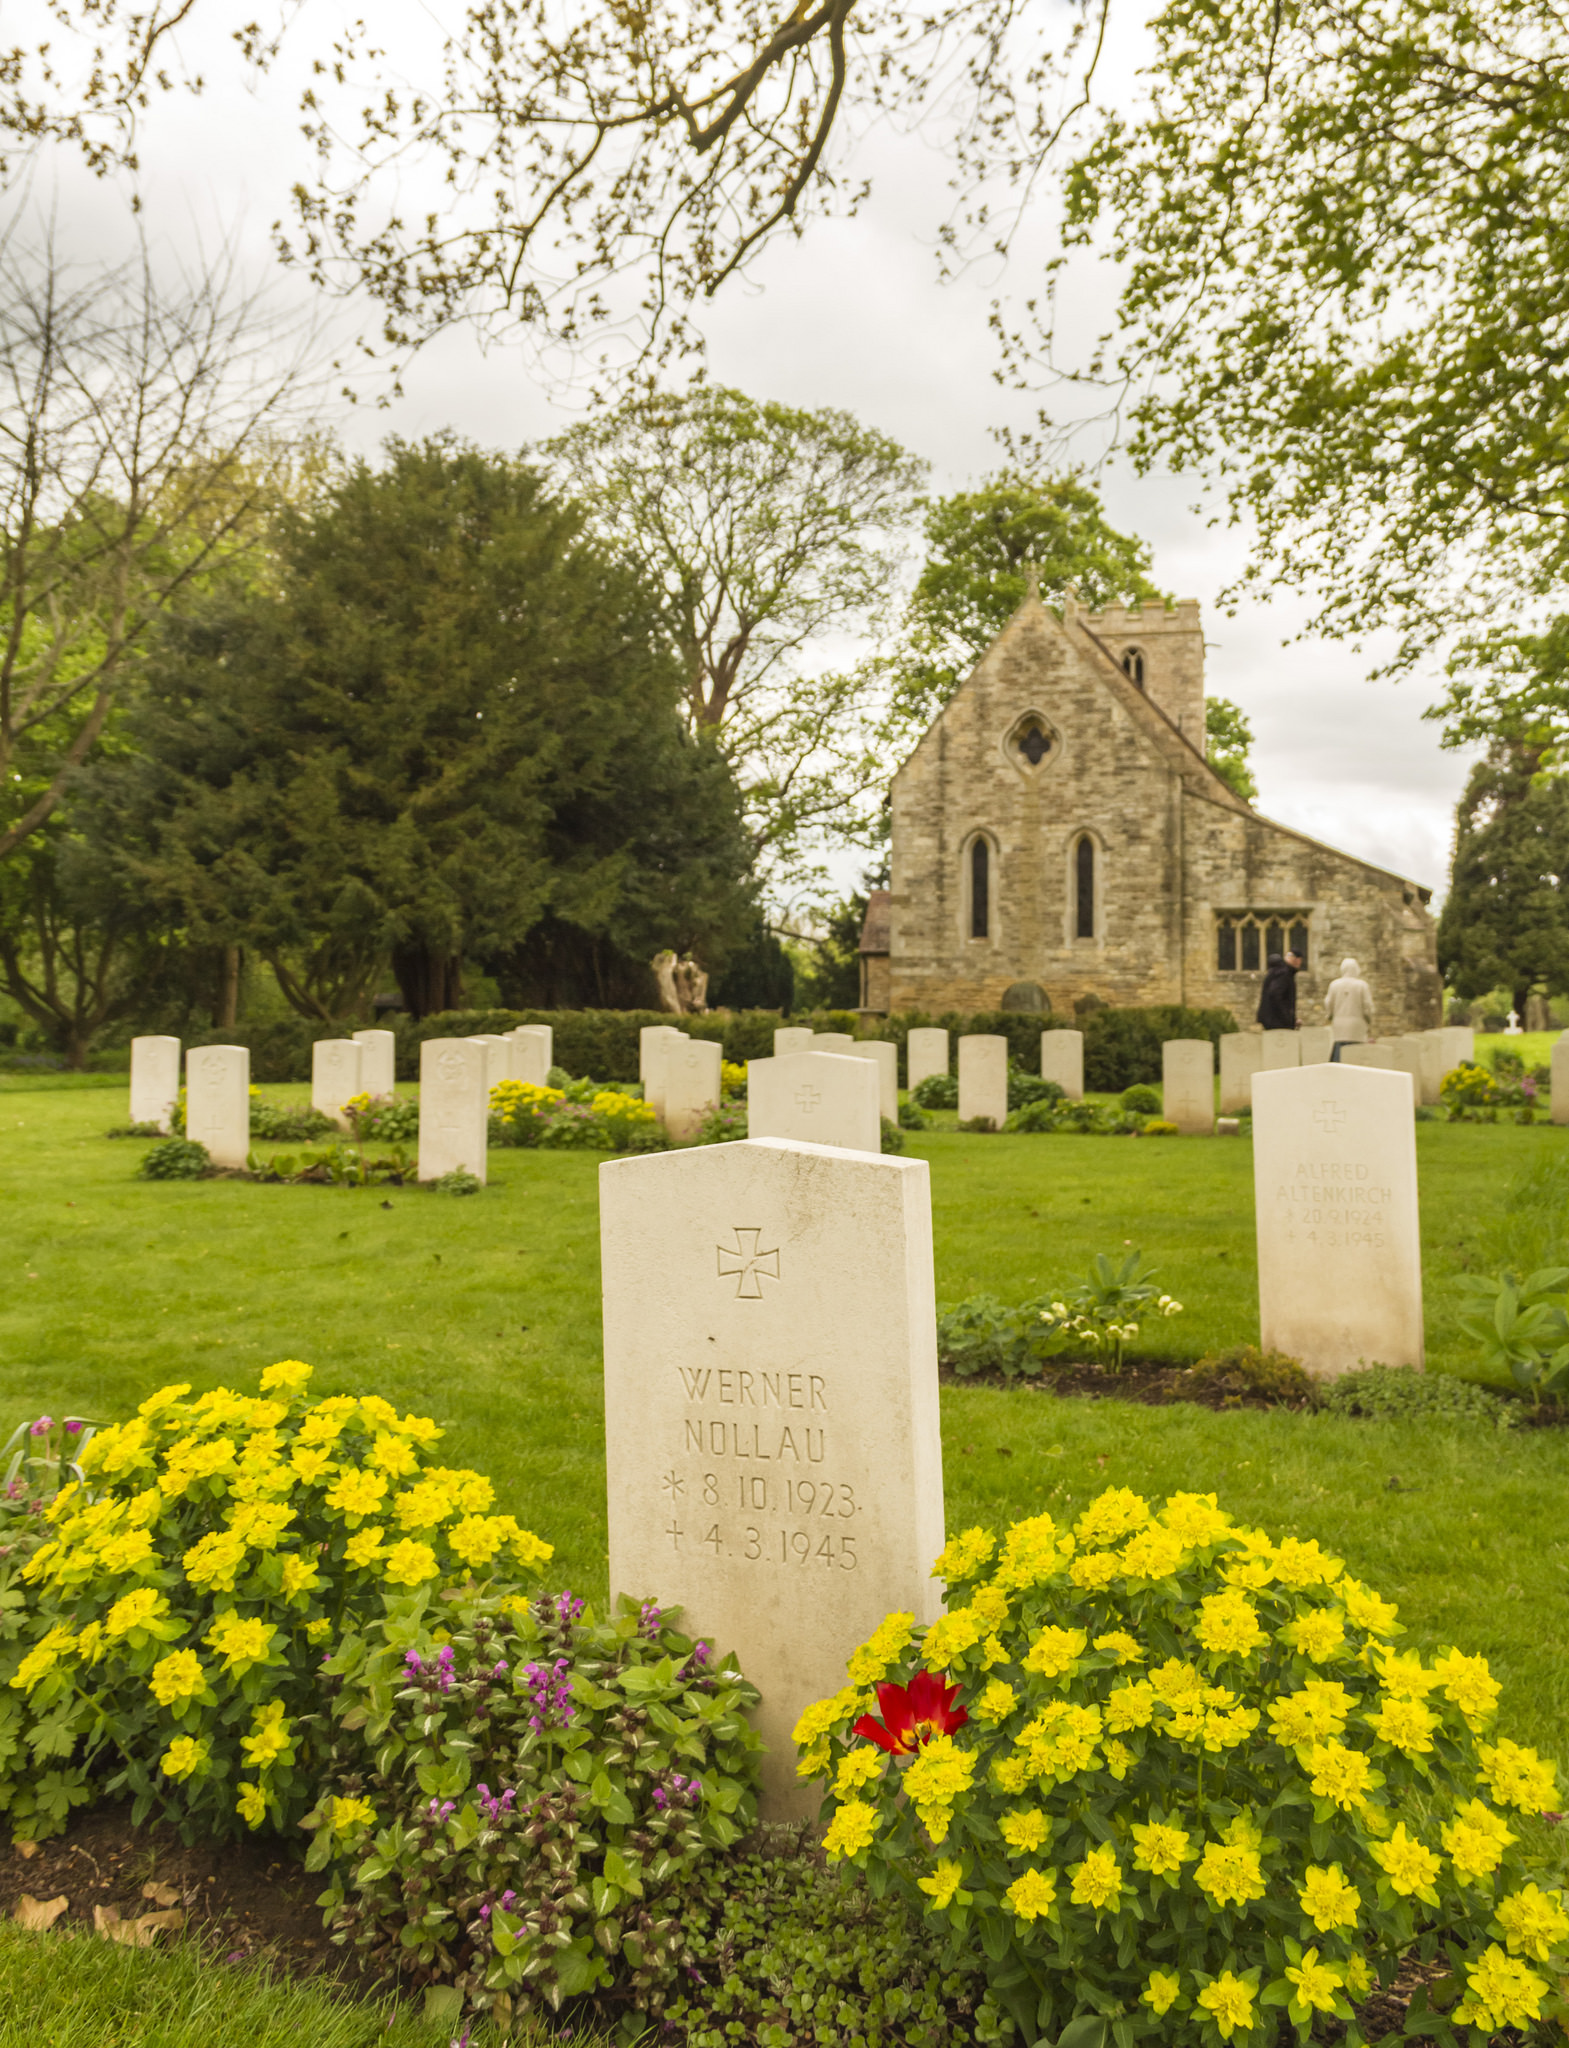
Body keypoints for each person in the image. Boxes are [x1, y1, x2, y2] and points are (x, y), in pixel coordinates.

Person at [1324, 956, 1374, 1060]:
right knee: (1356, 1056)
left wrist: (1330, 1016)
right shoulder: (1362, 985)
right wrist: (1369, 1020)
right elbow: (1367, 1006)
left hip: (1339, 1024)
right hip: (1357, 1025)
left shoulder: (1334, 985)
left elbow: (1328, 1003)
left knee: (1339, 1054)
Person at [1256, 949, 1303, 1030]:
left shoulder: (1279, 971)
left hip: (1272, 1020)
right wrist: (1288, 1019)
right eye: (1299, 960)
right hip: (1277, 1023)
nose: (1300, 963)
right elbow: (1275, 995)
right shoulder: (1284, 973)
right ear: (1296, 959)